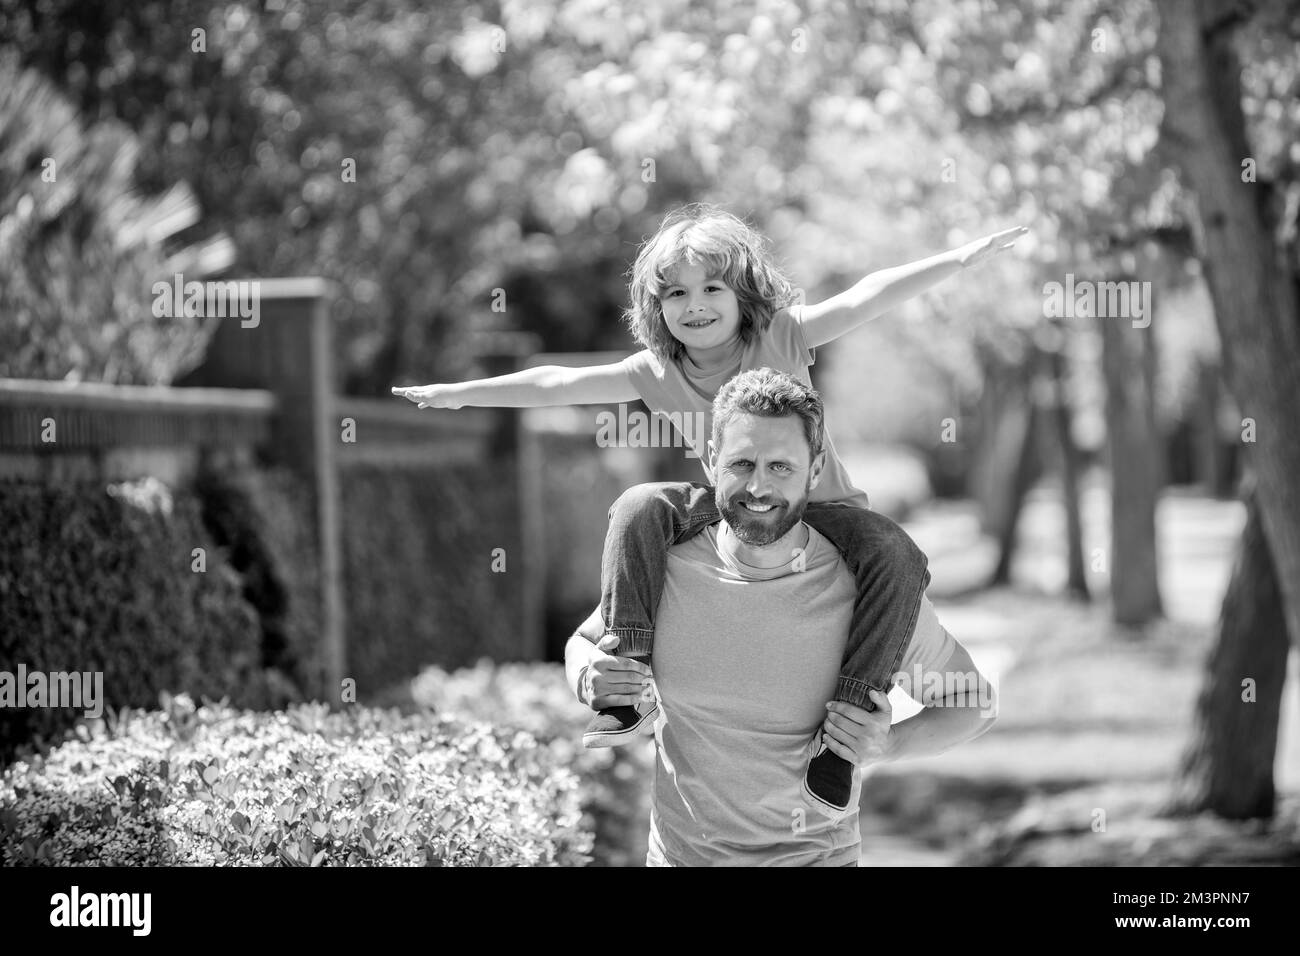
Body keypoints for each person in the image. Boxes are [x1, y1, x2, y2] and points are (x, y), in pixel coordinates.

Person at [393, 203, 1023, 811]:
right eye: (675, 294)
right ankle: (629, 673)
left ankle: (844, 735)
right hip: (730, 512)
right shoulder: (655, 371)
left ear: (744, 292)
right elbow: (556, 381)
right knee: (641, 505)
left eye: (712, 288)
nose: (694, 306)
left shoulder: (782, 334)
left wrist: (961, 258)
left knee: (892, 550)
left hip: (828, 511)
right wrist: (460, 394)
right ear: (655, 306)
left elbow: (866, 295)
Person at [565, 368, 998, 866]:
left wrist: (888, 744)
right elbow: (583, 640)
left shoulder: (872, 594)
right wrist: (585, 673)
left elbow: (975, 704)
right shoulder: (665, 567)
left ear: (815, 472)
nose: (758, 486)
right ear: (712, 463)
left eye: (781, 467)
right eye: (742, 463)